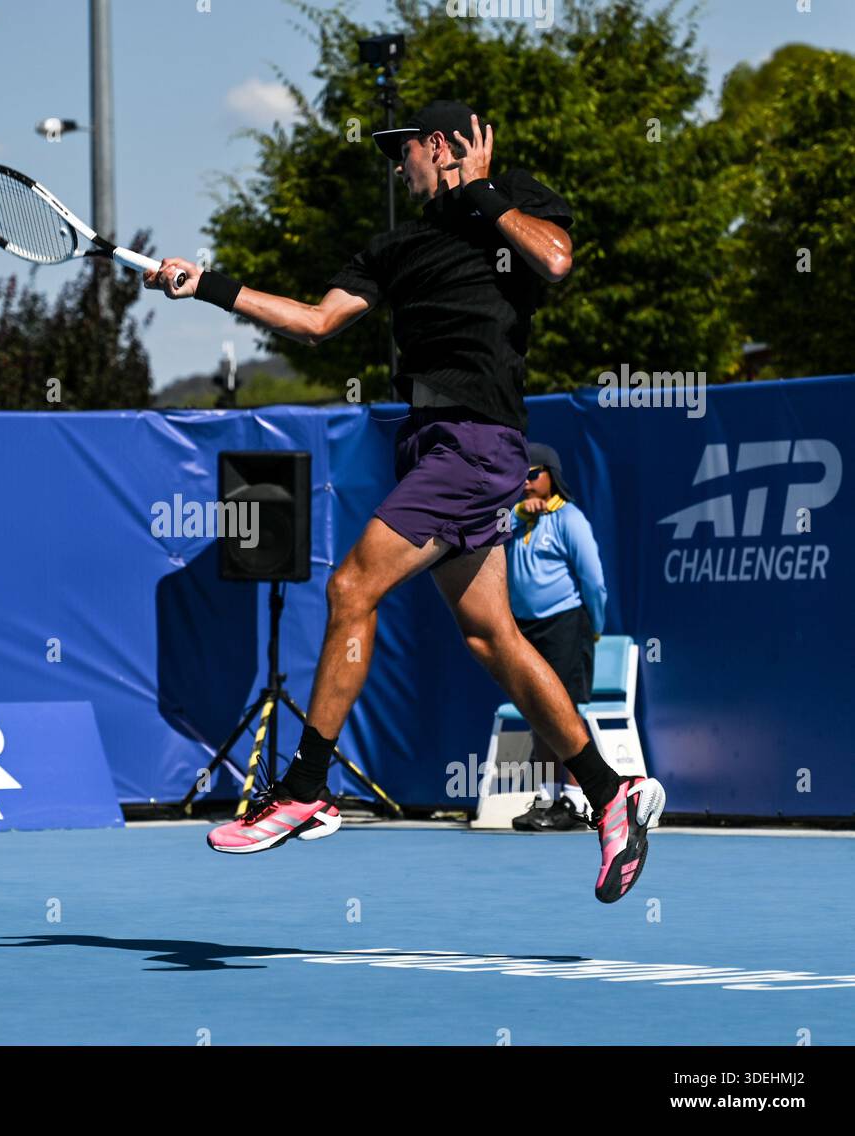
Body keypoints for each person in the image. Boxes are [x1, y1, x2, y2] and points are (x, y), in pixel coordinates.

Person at [145, 100, 664, 903]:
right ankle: (610, 791)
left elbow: (555, 261)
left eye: (406, 153)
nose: (398, 167)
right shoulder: (393, 246)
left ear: (445, 148)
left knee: (353, 585)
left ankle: (307, 785)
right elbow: (317, 321)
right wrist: (208, 285)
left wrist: (485, 193)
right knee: (491, 636)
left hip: (478, 441)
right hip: (429, 442)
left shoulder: (515, 202)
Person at [506, 444, 607, 832]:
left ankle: (578, 799)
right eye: (519, 476)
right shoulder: (512, 520)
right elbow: (482, 529)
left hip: (566, 624)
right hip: (524, 630)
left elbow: (594, 581)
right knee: (538, 713)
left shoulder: (570, 519)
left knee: (564, 712)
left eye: (532, 474)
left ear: (551, 476)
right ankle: (549, 798)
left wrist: (593, 626)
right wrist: (515, 512)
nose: (525, 482)